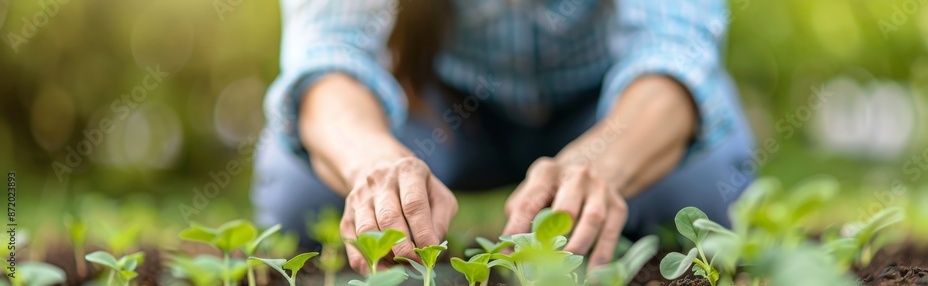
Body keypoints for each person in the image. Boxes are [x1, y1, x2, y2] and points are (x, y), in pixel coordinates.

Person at [252, 0, 755, 274]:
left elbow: (674, 51)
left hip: (608, 103)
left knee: (695, 196)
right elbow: (330, 53)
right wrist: (372, 162)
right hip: (438, 106)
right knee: (306, 198)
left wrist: (604, 161)